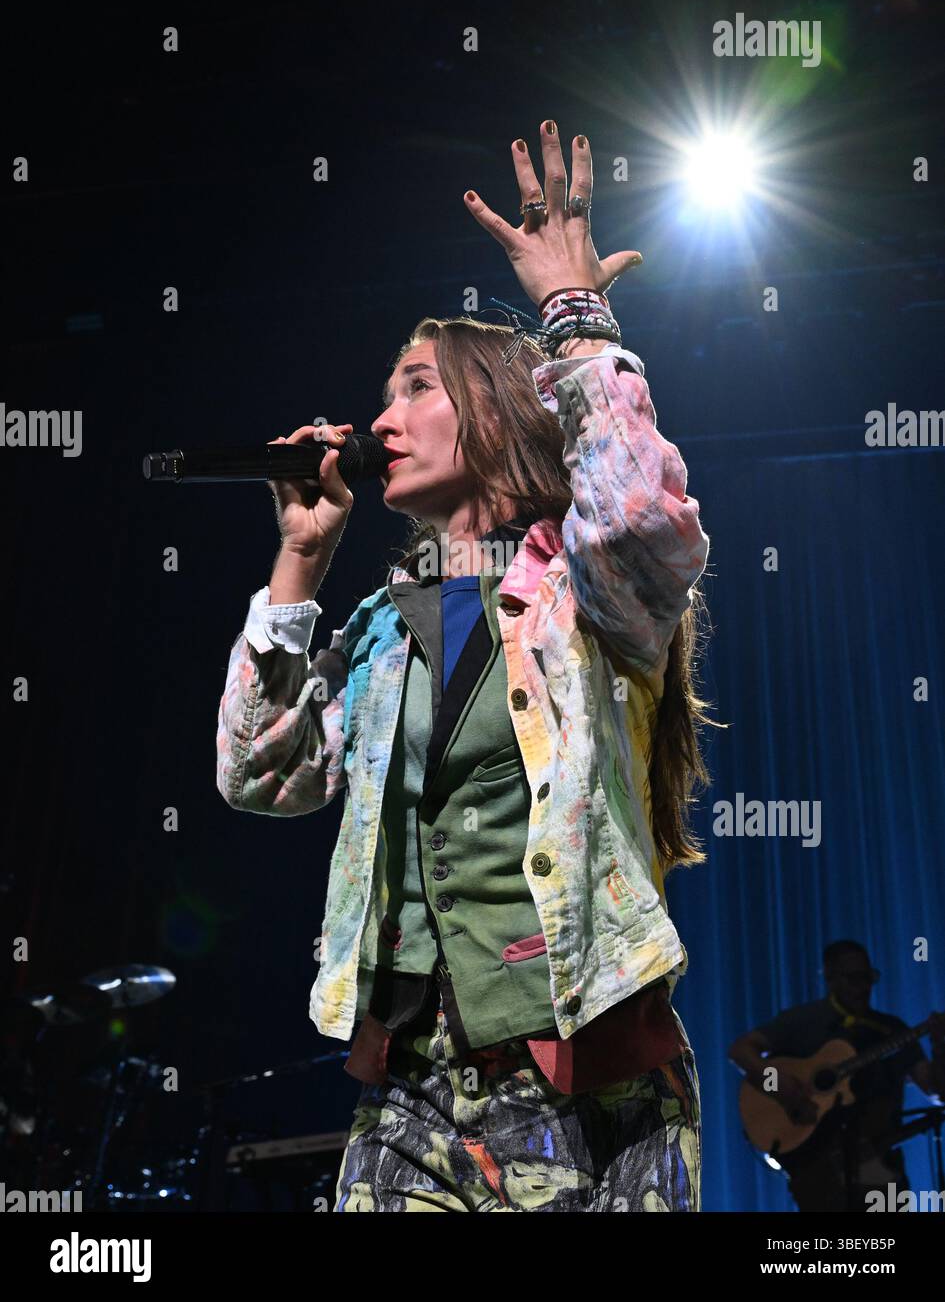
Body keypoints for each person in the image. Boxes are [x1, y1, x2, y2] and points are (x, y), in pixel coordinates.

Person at [216, 120, 716, 1211]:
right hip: (410, 1096)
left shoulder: (582, 597)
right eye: (387, 394)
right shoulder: (381, 638)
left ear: (495, 411)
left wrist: (575, 318)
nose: (381, 418)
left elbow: (639, 512)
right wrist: (300, 561)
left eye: (415, 388)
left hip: (590, 1084)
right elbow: (259, 773)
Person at [728, 940, 945, 1212]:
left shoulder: (891, 1029)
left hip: (880, 1167)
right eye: (854, 978)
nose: (864, 987)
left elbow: (936, 1090)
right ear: (831, 978)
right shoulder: (806, 1020)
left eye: (868, 978)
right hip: (816, 1166)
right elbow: (741, 1050)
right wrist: (783, 1087)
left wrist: (940, 1047)